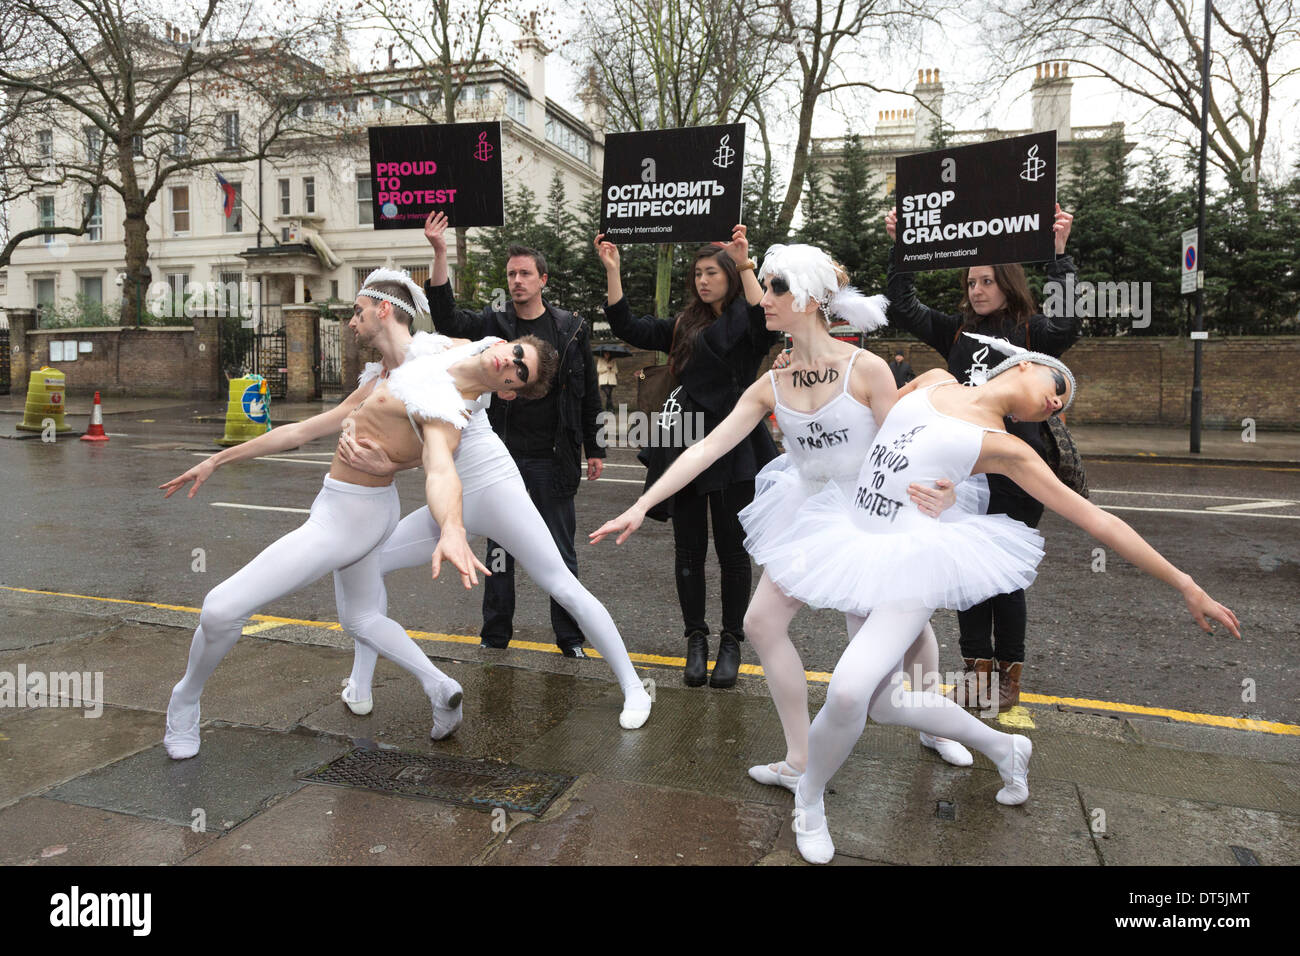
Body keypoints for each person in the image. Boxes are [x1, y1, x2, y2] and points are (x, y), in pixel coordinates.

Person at [753, 337, 1239, 863]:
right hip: (854, 543)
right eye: (1058, 387)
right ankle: (1007, 747)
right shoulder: (935, 378)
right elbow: (875, 429)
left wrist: (1185, 583)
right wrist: (799, 363)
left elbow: (1096, 519)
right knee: (887, 703)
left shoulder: (1007, 447)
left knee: (848, 694)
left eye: (1064, 405)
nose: (1058, 403)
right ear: (1025, 364)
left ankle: (810, 798)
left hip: (912, 566)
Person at [591, 241, 985, 783]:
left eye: (776, 287)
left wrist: (947, 492)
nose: (765, 298)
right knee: (760, 623)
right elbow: (706, 448)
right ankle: (800, 760)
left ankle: (937, 725)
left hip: (875, 510)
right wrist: (641, 503)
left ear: (807, 298)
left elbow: (910, 443)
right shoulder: (772, 381)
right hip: (811, 511)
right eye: (766, 286)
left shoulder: (867, 369)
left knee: (901, 633)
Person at [157, 268, 552, 759]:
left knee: (220, 608)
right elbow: (305, 430)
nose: (350, 322)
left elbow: (440, 464)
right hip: (368, 509)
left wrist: (451, 526)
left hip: (346, 521)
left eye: (357, 312)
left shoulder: (439, 395)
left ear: (381, 309)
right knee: (362, 616)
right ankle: (440, 688)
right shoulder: (398, 371)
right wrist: (217, 459)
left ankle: (185, 700)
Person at [331, 362, 654, 731]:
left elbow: (443, 434)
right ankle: (359, 685)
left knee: (562, 585)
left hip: (495, 490)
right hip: (450, 503)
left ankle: (634, 688)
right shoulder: (411, 366)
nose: (504, 360)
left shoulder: (471, 362)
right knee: (365, 562)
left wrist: (389, 461)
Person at [884, 203, 1077, 712]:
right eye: (971, 282)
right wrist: (904, 247)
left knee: (1004, 578)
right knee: (968, 577)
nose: (976, 290)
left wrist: (1059, 253)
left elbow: (1070, 322)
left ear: (1007, 284)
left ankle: (1009, 675)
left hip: (1016, 471)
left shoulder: (1033, 332)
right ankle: (975, 671)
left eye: (986, 281)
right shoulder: (957, 334)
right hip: (964, 475)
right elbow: (904, 307)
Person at [594, 224, 780, 688]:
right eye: (697, 273)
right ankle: (695, 640)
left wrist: (745, 261)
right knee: (689, 549)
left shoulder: (749, 318)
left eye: (712, 272)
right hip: (686, 441)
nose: (702, 280)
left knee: (733, 552)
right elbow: (628, 327)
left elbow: (764, 319)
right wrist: (613, 271)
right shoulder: (683, 324)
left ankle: (731, 642)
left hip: (735, 444)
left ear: (730, 277)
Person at [420, 211, 604, 658]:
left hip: (553, 457)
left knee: (558, 551)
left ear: (543, 279)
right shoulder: (496, 323)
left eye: (525, 274)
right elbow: (445, 318)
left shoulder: (570, 328)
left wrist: (594, 446)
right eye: (511, 274)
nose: (517, 281)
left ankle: (570, 638)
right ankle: (495, 635)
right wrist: (440, 252)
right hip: (501, 457)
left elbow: (590, 391)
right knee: (499, 552)